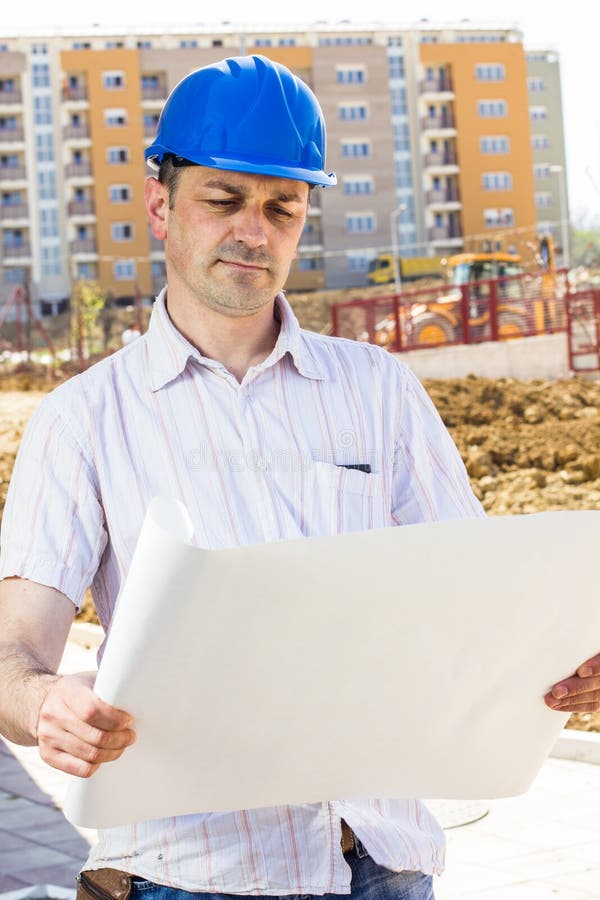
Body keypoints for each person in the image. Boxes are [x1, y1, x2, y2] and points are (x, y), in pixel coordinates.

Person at [0, 53, 597, 900]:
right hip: (190, 877)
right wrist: (45, 704)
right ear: (162, 205)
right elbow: (13, 655)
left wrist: (562, 662)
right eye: (223, 200)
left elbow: (477, 602)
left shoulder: (377, 391)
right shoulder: (83, 419)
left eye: (282, 207)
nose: (253, 229)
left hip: (383, 864)